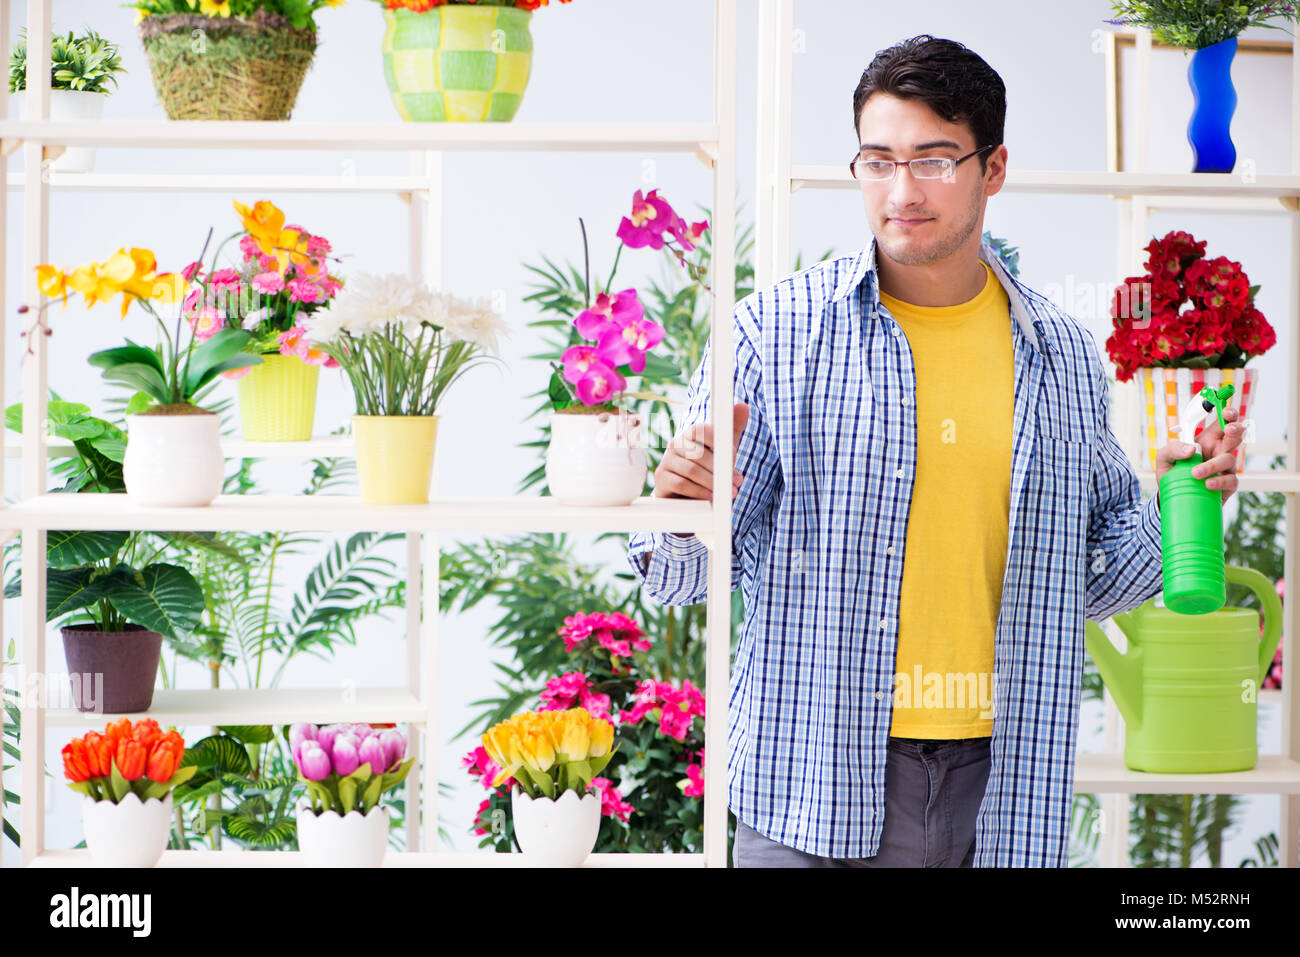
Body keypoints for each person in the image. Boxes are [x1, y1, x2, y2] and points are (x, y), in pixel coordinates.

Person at [625, 34, 1244, 867]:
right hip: (809, 784)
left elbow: (1090, 581)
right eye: (877, 161)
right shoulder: (771, 335)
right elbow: (680, 579)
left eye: (935, 160)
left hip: (1004, 793)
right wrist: (679, 511)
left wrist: (1181, 502)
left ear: (994, 169)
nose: (902, 190)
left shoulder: (1061, 353)